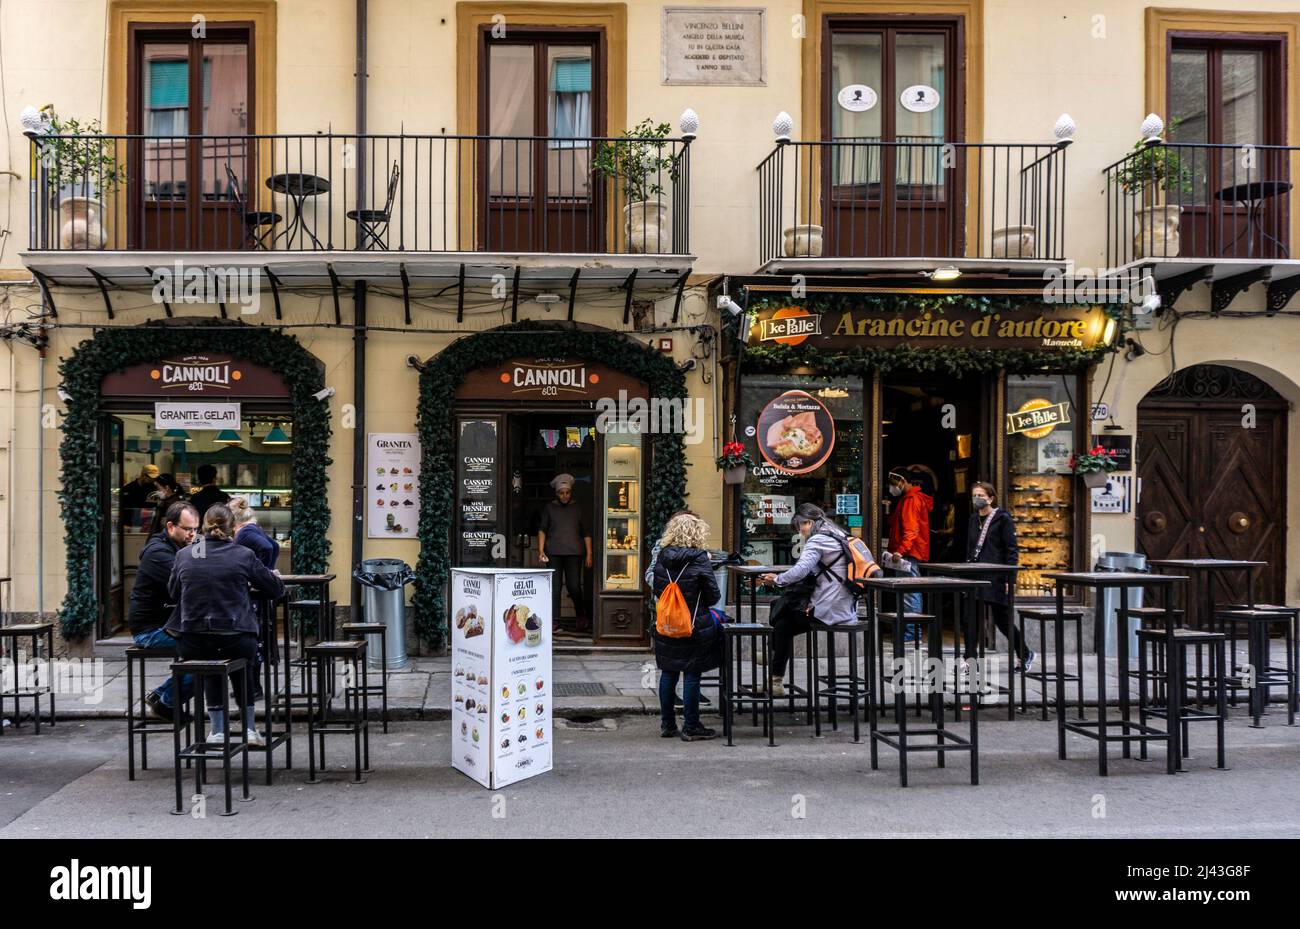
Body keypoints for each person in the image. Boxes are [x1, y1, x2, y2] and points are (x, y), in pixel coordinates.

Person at [167, 504, 285, 746]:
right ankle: (250, 729)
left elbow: (173, 592)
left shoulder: (187, 554)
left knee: (210, 662)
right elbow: (274, 589)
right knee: (241, 665)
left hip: (192, 639)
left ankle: (218, 731)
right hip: (237, 635)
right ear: (233, 529)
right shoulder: (242, 554)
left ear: (203, 528)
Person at [761, 503, 881, 697]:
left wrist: (777, 579)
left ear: (808, 522)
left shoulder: (818, 540)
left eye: (800, 527)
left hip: (827, 611)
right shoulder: (840, 534)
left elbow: (801, 570)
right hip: (846, 610)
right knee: (782, 618)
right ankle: (774, 666)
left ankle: (773, 661)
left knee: (780, 613)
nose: (801, 532)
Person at [650, 513, 721, 741]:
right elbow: (713, 595)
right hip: (692, 625)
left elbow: (656, 587)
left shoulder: (662, 555)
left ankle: (667, 724)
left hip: (667, 623)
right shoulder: (700, 558)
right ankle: (691, 726)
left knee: (668, 673)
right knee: (691, 674)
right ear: (696, 533)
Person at [127, 501, 198, 721]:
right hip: (151, 630)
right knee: (207, 650)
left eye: (196, 529)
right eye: (187, 529)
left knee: (210, 646)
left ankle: (160, 696)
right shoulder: (158, 553)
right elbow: (191, 582)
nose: (192, 535)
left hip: (173, 625)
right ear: (170, 527)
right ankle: (167, 702)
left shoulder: (186, 546)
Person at [963, 481, 1033, 675]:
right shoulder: (972, 519)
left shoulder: (1002, 519)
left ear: (991, 498)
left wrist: (1011, 580)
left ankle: (1025, 653)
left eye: (981, 495)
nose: (977, 499)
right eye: (974, 495)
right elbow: (970, 548)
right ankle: (970, 661)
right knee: (970, 619)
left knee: (1003, 621)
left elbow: (1012, 551)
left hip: (997, 577)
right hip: (975, 575)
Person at [229, 495, 280, 706]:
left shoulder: (244, 533)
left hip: (253, 596)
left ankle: (254, 688)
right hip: (261, 591)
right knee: (257, 640)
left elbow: (269, 549)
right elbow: (274, 546)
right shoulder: (254, 529)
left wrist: (259, 573)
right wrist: (266, 571)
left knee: (252, 640)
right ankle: (254, 687)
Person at [882, 468, 933, 642]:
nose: (891, 487)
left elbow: (911, 531)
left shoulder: (911, 500)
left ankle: (911, 633)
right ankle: (910, 631)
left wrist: (900, 550)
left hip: (908, 553)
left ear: (903, 481)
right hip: (909, 552)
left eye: (893, 483)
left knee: (910, 593)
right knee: (908, 592)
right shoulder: (907, 499)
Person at [538, 473, 592, 634]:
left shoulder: (577, 508)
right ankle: (555, 621)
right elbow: (542, 530)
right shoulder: (549, 508)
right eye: (561, 493)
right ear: (557, 493)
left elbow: (586, 533)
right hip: (553, 552)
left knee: (574, 586)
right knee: (554, 588)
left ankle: (581, 615)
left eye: (567, 493)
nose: (564, 496)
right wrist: (540, 550)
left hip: (574, 553)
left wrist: (589, 554)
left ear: (570, 492)